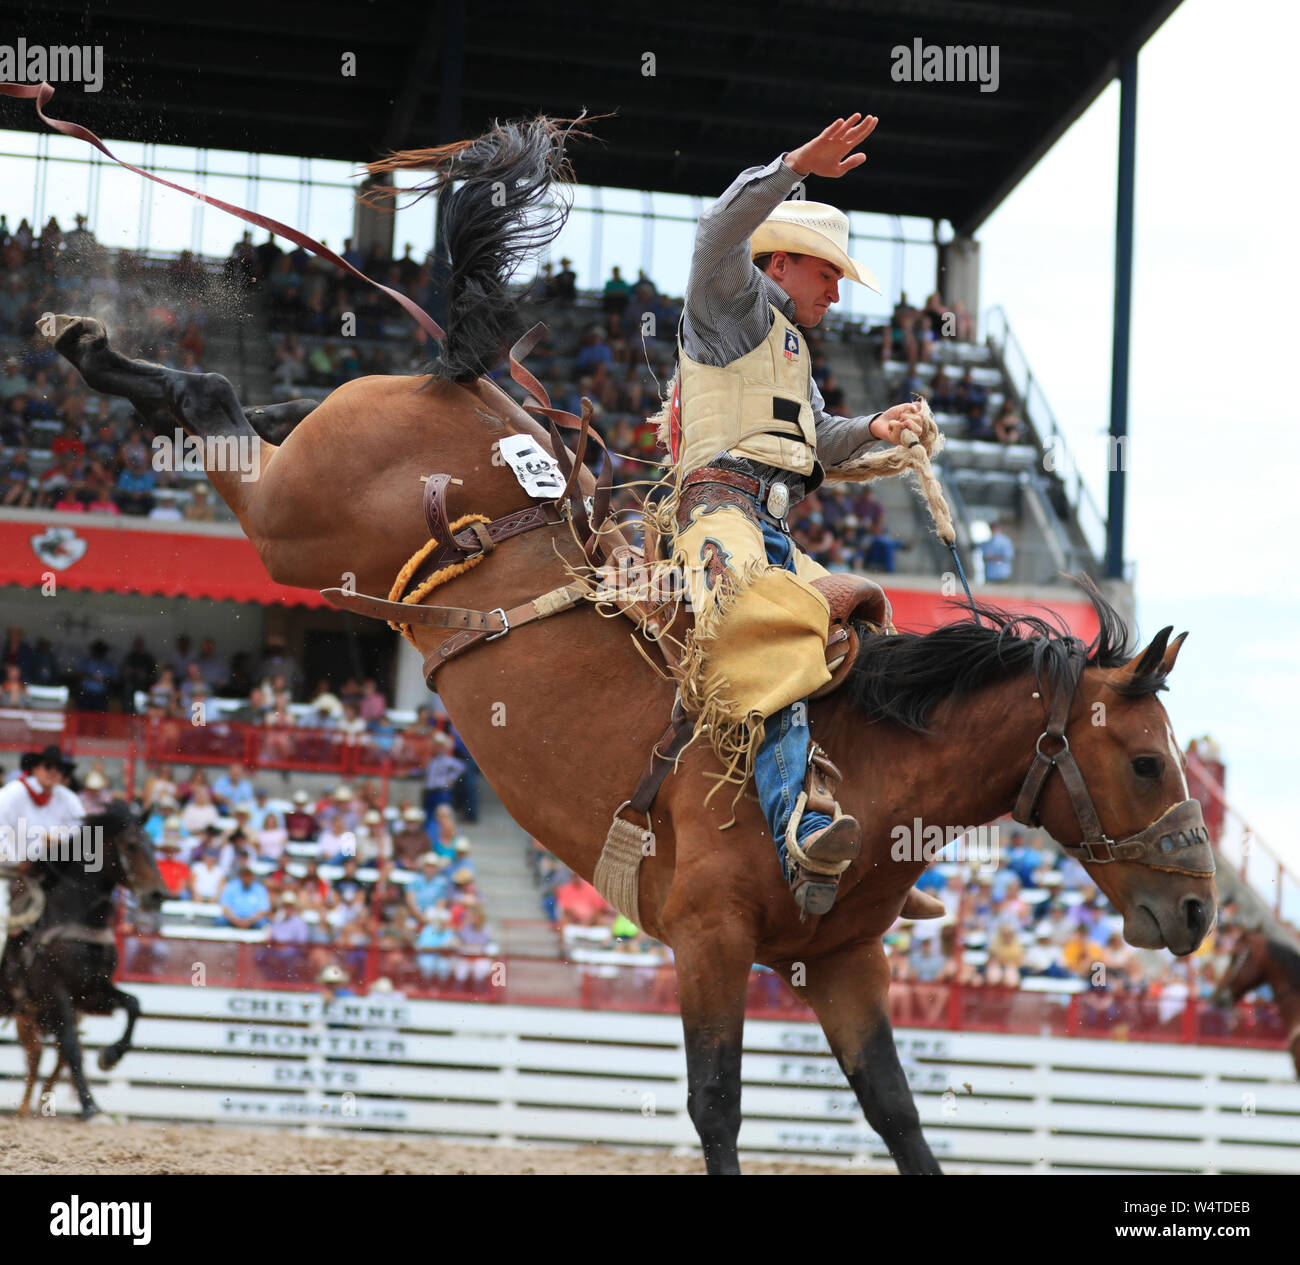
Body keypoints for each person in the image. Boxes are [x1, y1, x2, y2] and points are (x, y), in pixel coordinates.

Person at [657, 112, 937, 916]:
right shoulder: (729, 303)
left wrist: (876, 429)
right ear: (781, 262)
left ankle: (870, 844)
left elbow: (817, 439)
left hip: (771, 523)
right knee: (772, 624)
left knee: (872, 639)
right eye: (828, 274)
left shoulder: (789, 347)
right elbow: (717, 229)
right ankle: (803, 826)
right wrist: (795, 165)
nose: (837, 290)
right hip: (719, 514)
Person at [0, 746, 84, 957]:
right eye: (48, 766)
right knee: (1, 924)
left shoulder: (66, 798)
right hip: (6, 874)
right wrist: (18, 861)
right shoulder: (13, 794)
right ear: (35, 768)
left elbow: (82, 830)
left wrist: (60, 842)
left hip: (46, 875)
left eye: (60, 769)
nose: (54, 772)